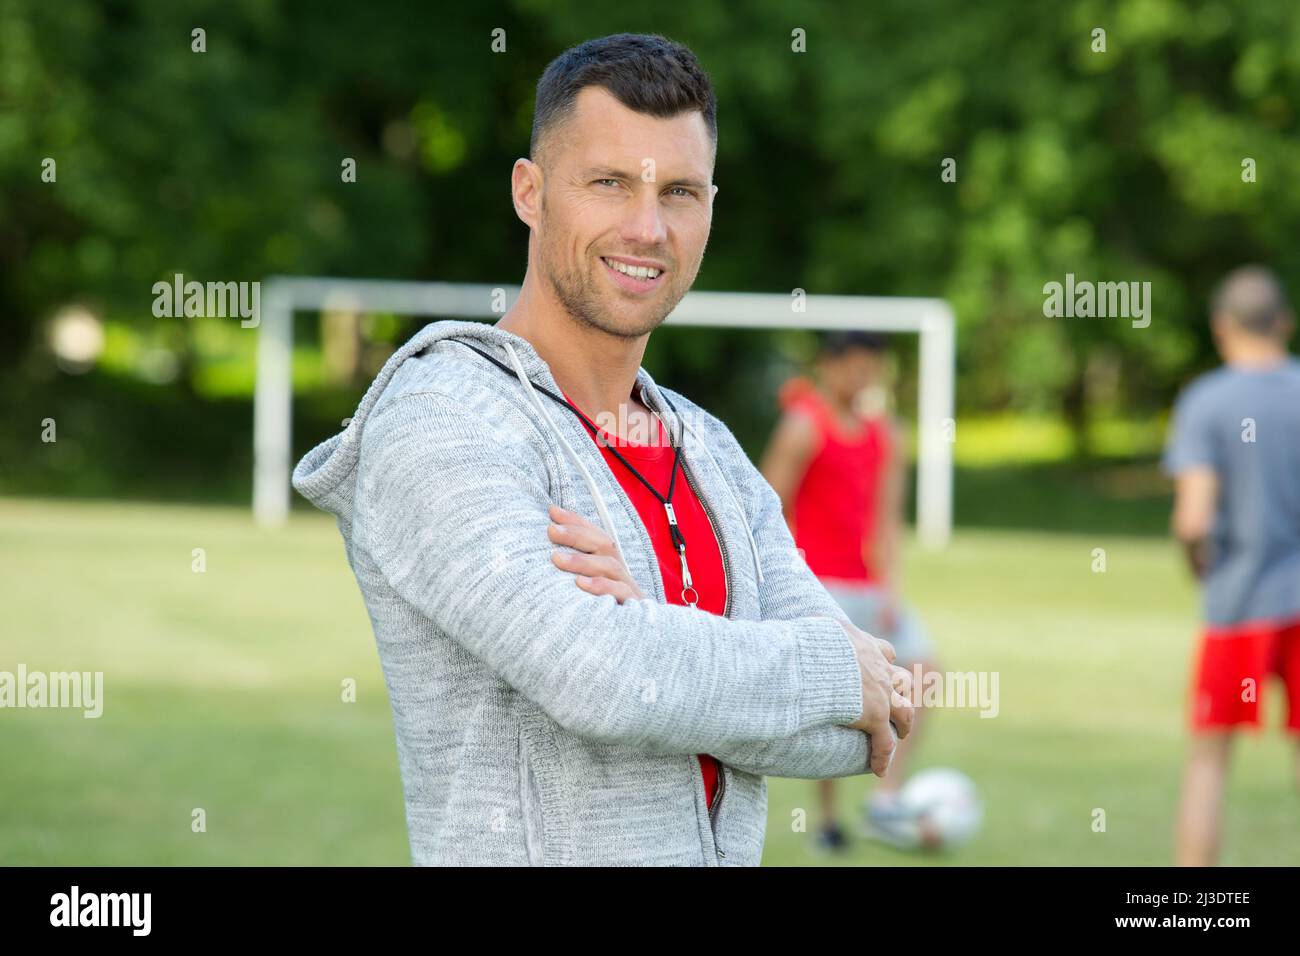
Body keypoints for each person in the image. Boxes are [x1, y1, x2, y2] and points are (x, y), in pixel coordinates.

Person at [292, 33, 913, 866]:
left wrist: (654, 634)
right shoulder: (442, 417)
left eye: (682, 191)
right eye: (610, 183)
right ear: (530, 192)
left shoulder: (713, 452)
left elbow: (860, 734)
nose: (647, 227)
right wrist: (813, 674)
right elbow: (597, 676)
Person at [760, 331, 940, 853]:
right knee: (843, 702)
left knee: (926, 671)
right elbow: (766, 510)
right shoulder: (803, 426)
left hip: (871, 585)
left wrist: (894, 586)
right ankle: (829, 819)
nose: (863, 376)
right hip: (823, 586)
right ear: (830, 366)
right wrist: (791, 586)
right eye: (855, 365)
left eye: (872, 366)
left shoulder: (887, 434)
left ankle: (886, 799)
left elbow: (887, 517)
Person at [1163, 264, 1300, 867]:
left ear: (1222, 328)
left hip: (1237, 604)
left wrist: (1198, 564)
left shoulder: (1207, 402)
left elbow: (1193, 520)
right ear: (1285, 323)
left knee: (1209, 759)